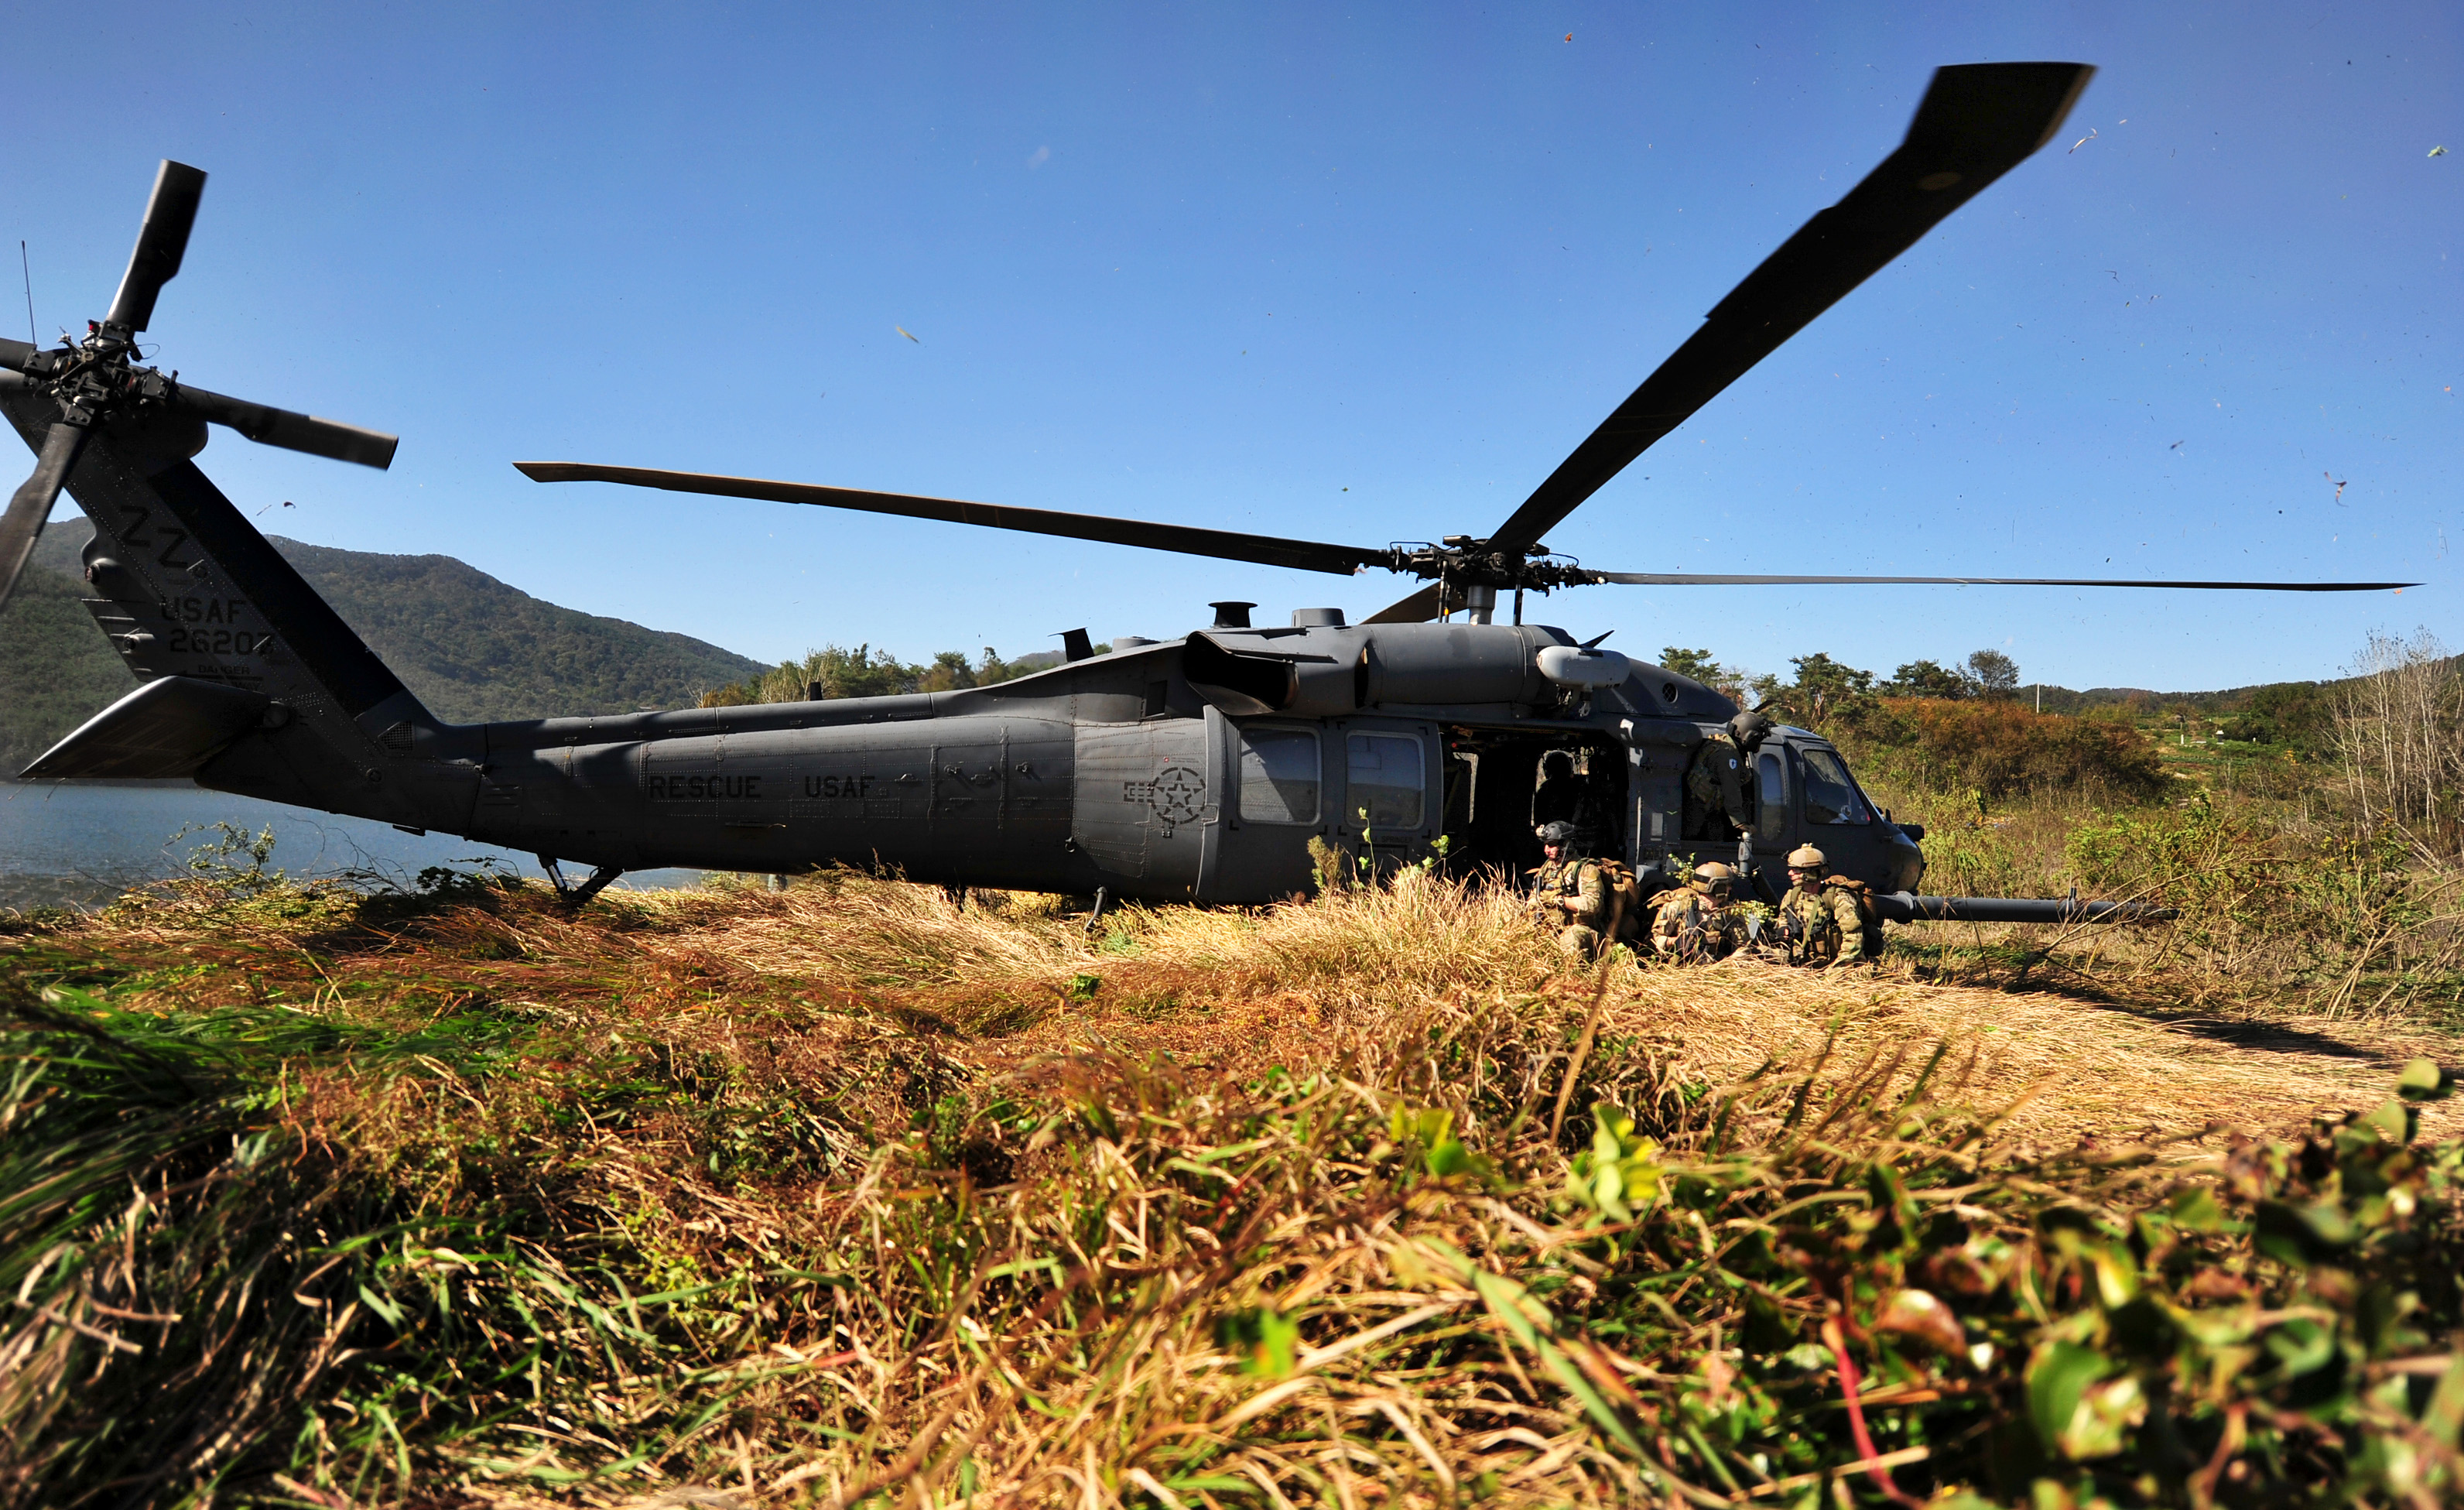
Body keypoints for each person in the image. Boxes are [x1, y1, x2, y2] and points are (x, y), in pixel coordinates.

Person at [1528, 820, 1612, 959]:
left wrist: (1560, 900)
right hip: (1553, 926)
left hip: (1584, 930)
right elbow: (1532, 898)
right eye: (1545, 845)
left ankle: (1571, 977)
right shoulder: (1545, 870)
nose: (1546, 850)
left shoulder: (1585, 870)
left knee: (1570, 938)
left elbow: (1593, 904)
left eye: (1551, 845)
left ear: (1565, 845)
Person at [1777, 844, 1869, 967]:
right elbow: (1783, 917)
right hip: (1803, 959)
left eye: (1797, 870)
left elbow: (1854, 938)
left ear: (1812, 872)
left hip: (1838, 963)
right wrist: (1784, 928)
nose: (1790, 873)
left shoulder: (1838, 898)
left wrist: (1834, 970)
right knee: (1751, 954)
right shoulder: (1793, 895)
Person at [1648, 861, 1749, 964]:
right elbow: (1656, 939)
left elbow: (1743, 946)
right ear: (1716, 887)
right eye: (1727, 885)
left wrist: (1726, 965)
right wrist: (1674, 942)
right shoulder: (1678, 908)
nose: (1730, 888)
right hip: (1681, 969)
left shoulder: (1730, 912)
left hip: (1718, 969)